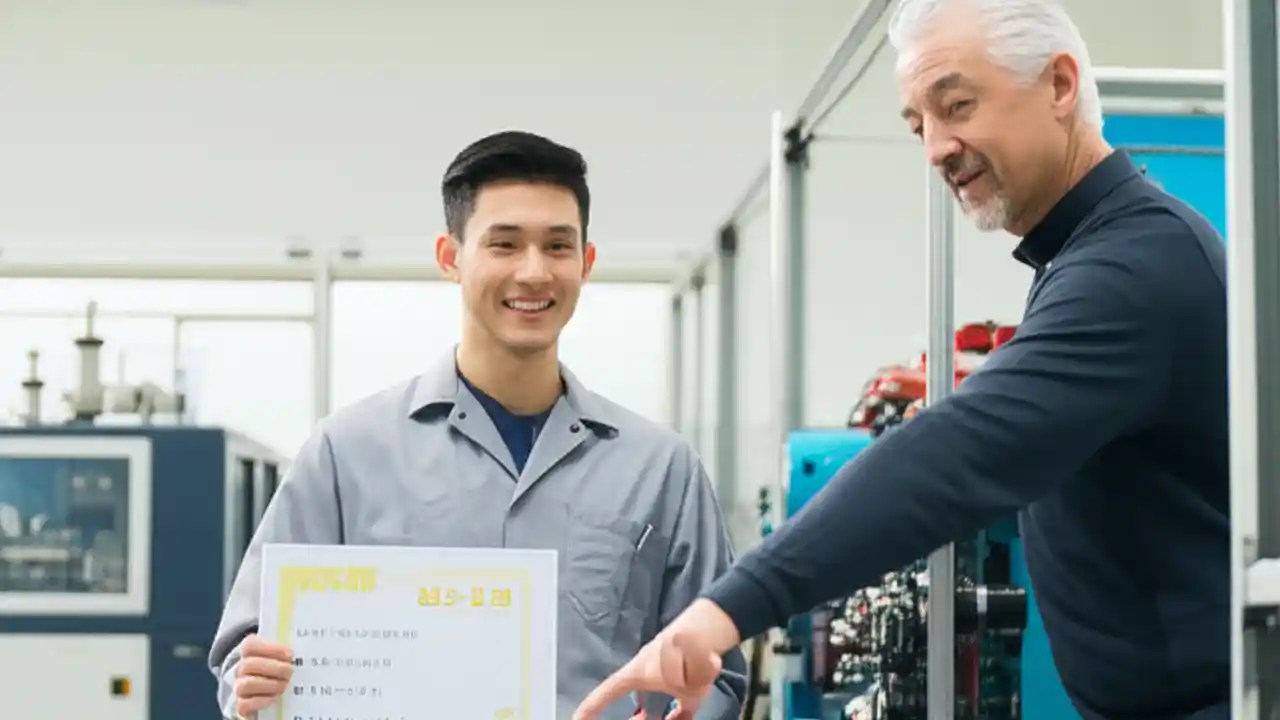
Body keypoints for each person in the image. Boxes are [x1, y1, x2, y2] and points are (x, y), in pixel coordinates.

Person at [573, 1, 1230, 719]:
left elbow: (954, 455)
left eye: (958, 105)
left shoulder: (1136, 266)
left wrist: (726, 609)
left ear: (1061, 86)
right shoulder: (1093, 257)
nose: (937, 149)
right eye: (920, 126)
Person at [208, 130, 747, 720]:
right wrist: (251, 686)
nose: (534, 272)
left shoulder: (661, 470)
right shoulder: (346, 454)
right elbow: (247, 645)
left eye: (558, 246)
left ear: (586, 263)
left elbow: (718, 672)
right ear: (450, 257)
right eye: (505, 244)